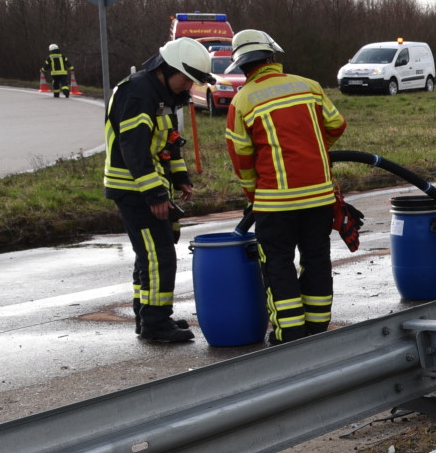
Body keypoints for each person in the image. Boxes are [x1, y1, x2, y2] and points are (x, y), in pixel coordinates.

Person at [223, 29, 348, 343]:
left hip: (275, 204)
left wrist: (254, 195)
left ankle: (288, 334)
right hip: (319, 196)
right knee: (316, 258)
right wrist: (315, 148)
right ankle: (318, 328)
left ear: (242, 66)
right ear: (271, 57)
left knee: (278, 264)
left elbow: (241, 157)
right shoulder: (309, 86)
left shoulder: (242, 101)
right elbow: (336, 125)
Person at [104, 37, 215, 343]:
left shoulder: (159, 94)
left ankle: (148, 315)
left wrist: (181, 178)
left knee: (149, 255)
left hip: (144, 187)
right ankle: (155, 323)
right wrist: (154, 195)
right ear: (169, 69)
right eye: (187, 80)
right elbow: (134, 148)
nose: (189, 87)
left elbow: (168, 143)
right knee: (159, 256)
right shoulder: (139, 93)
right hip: (135, 189)